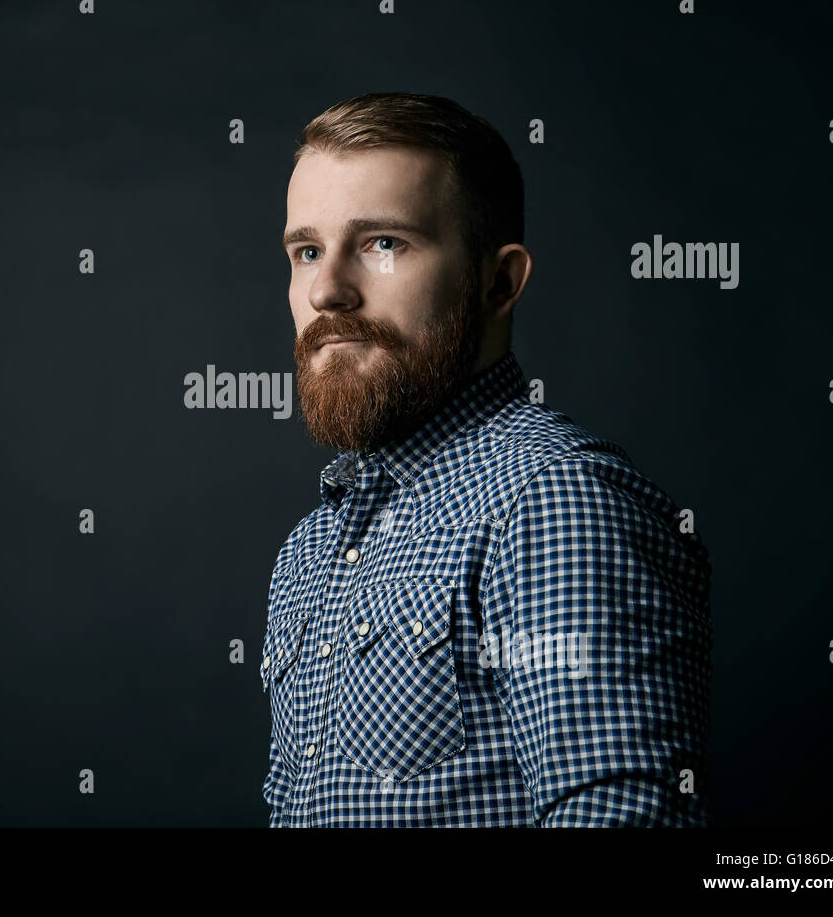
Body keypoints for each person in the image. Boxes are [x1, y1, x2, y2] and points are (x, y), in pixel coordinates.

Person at [263, 91, 713, 826]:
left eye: (383, 244)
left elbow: (621, 813)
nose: (326, 289)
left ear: (498, 282)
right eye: (307, 250)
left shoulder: (554, 501)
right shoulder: (309, 552)